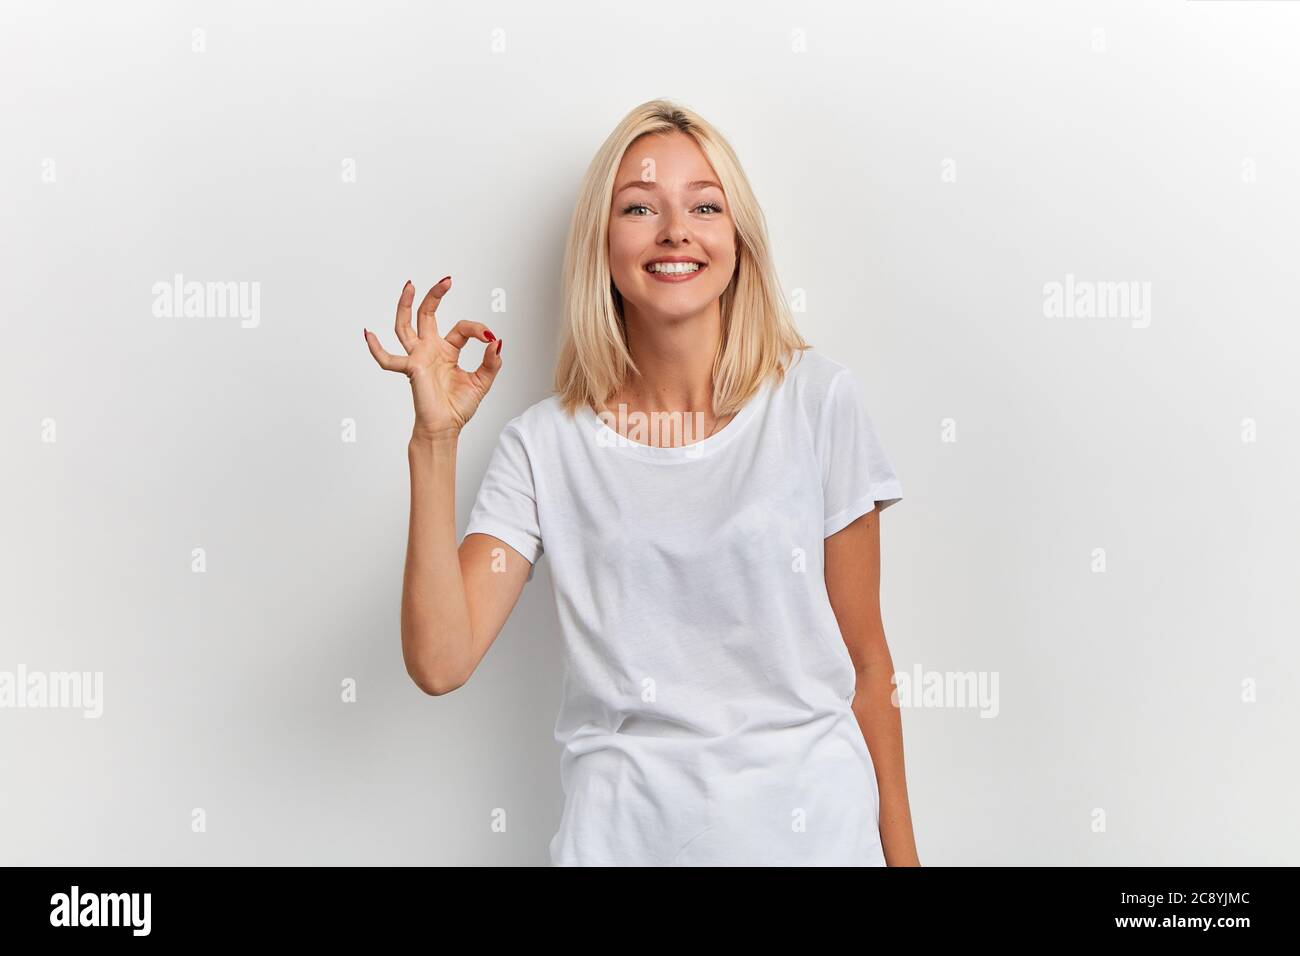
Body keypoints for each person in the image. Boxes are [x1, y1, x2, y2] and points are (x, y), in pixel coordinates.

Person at [364, 99, 920, 866]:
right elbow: (440, 661)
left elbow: (867, 666)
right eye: (639, 207)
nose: (675, 231)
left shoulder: (818, 403)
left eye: (705, 205)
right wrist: (435, 440)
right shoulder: (545, 447)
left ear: (739, 239)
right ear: (602, 244)